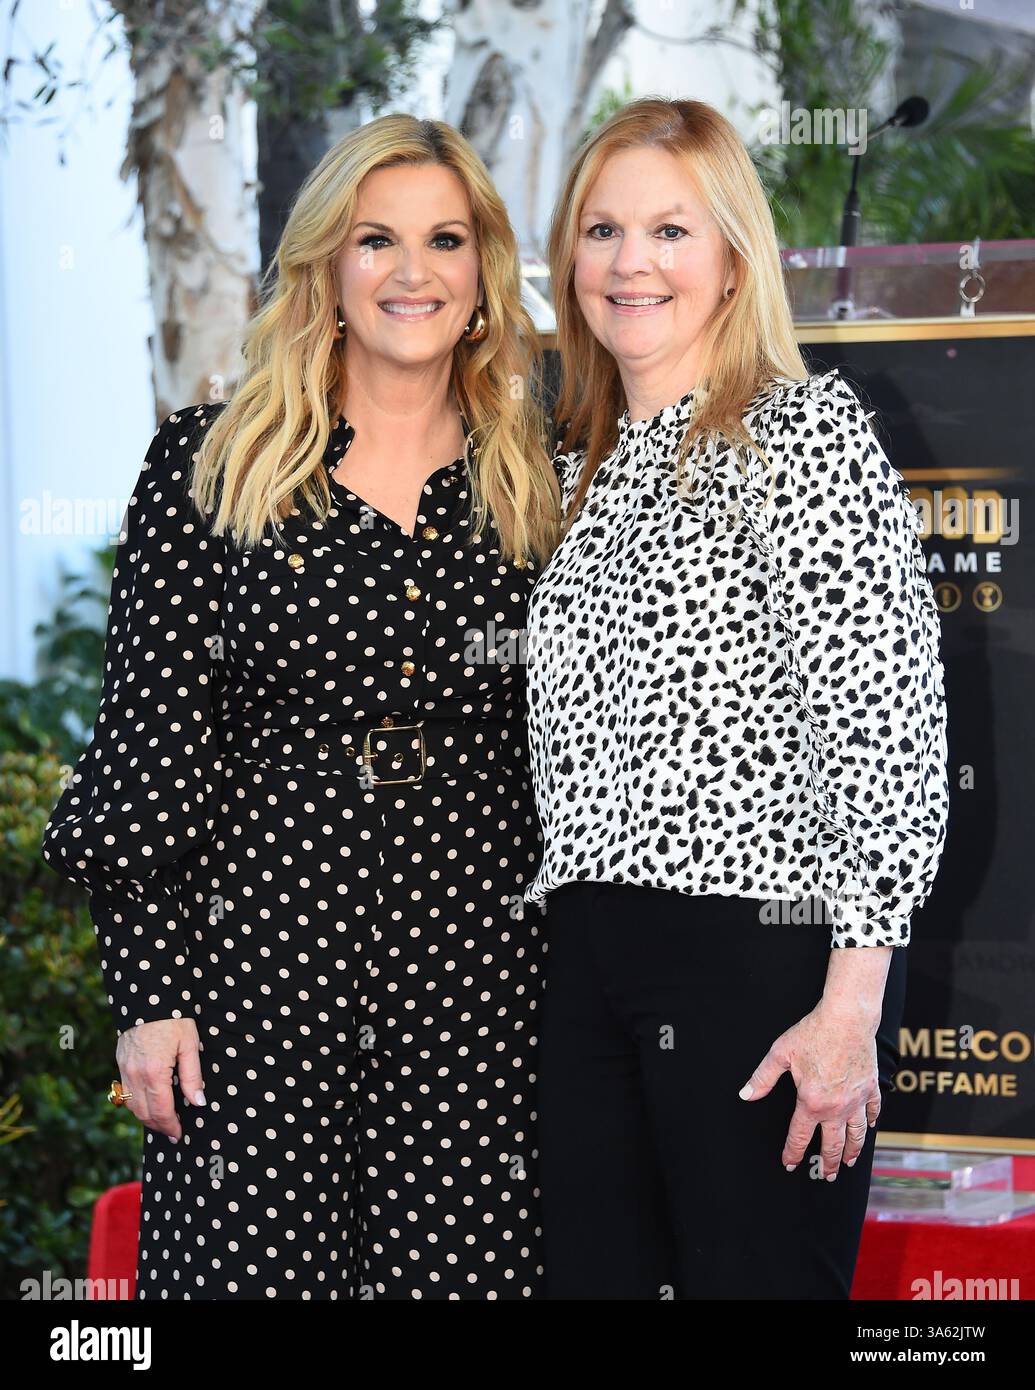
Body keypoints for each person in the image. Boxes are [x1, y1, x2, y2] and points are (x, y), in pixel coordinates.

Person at [41, 113, 561, 1300]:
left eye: (444, 239)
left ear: (482, 270)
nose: (411, 272)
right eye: (376, 239)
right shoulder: (211, 463)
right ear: (327, 260)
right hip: (260, 956)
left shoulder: (542, 468)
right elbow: (149, 744)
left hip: (484, 970)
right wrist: (150, 997)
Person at [523, 97, 950, 1299]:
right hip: (590, 951)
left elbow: (889, 732)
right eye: (602, 231)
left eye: (670, 230)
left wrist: (849, 1008)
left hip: (760, 957)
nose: (630, 262)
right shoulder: (580, 465)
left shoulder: (801, 433)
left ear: (730, 260)